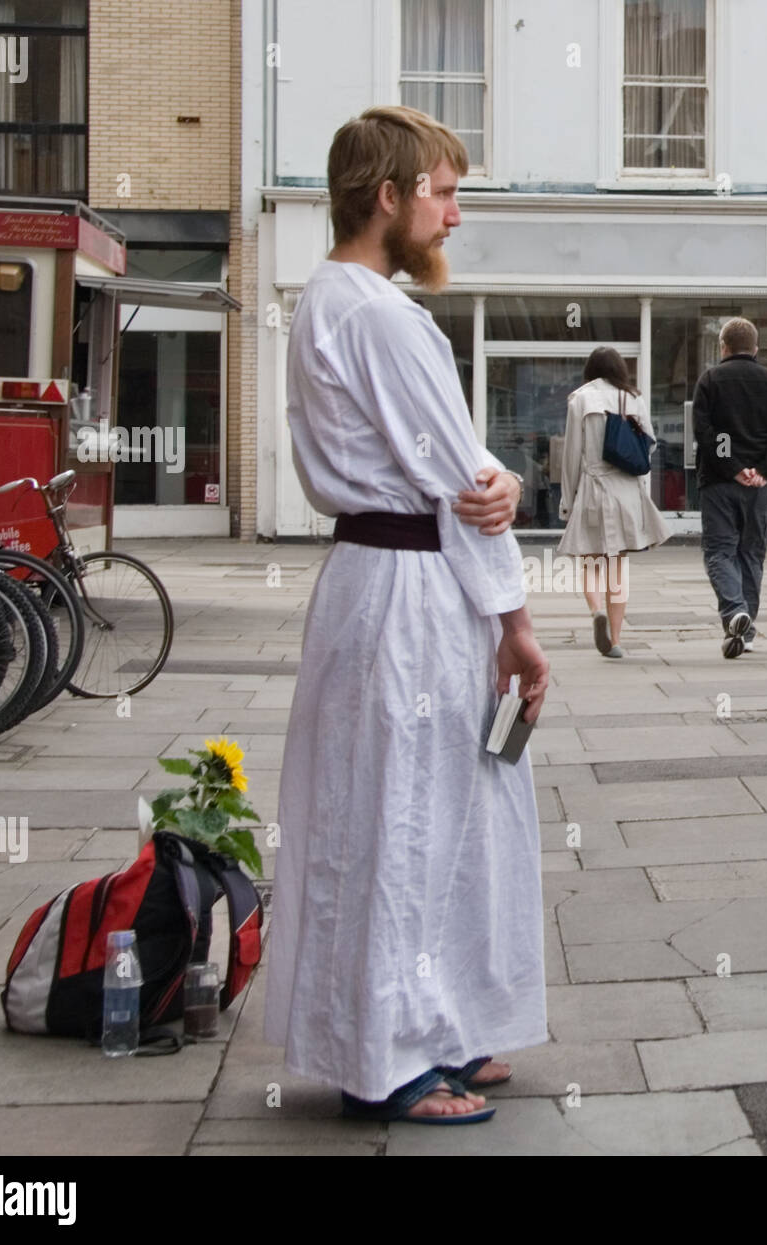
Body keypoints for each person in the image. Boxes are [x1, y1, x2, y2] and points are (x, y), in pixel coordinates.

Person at [264, 106, 550, 1124]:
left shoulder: (333, 301)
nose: (453, 216)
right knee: (404, 817)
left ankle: (430, 1027)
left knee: (411, 810)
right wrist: (516, 620)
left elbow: (457, 474)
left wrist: (491, 480)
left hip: (388, 582)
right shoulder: (378, 315)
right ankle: (386, 1062)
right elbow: (460, 479)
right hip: (409, 595)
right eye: (441, 192)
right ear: (387, 196)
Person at [693, 317, 767, 657]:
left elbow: (705, 432)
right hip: (760, 488)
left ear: (723, 347)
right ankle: (746, 629)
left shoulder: (710, 380)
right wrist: (763, 471)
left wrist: (734, 467)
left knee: (720, 551)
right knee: (752, 553)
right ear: (755, 348)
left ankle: (734, 609)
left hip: (719, 484)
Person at [557, 346, 671, 658]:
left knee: (590, 560)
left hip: (593, 487)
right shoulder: (633, 398)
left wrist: (567, 501)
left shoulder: (580, 399)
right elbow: (648, 446)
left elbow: (571, 455)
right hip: (626, 491)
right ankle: (616, 640)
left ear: (590, 370)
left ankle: (597, 612)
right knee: (618, 566)